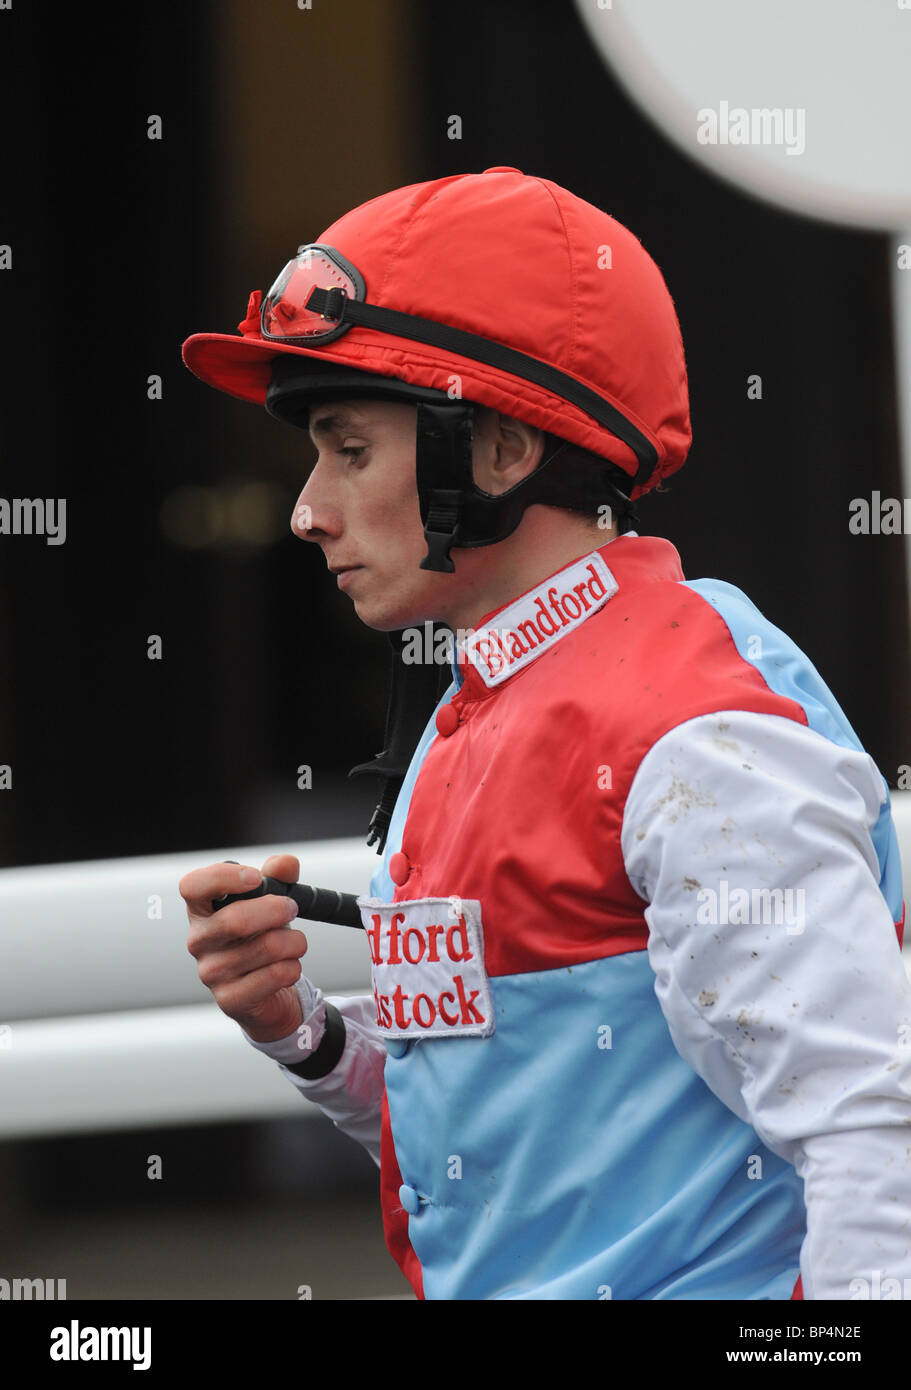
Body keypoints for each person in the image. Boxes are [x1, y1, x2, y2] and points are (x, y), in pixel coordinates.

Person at [179, 168, 911, 1301]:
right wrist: (306, 1033)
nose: (306, 508)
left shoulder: (694, 730)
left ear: (505, 452)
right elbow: (494, 1163)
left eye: (348, 449)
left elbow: (873, 1130)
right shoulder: (480, 698)